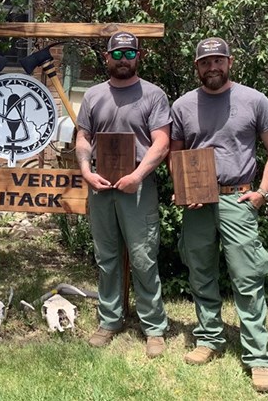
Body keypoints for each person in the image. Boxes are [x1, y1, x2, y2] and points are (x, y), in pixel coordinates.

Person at [170, 37, 268, 393]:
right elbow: (176, 154)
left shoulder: (254, 100)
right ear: (197, 68)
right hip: (198, 204)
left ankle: (258, 357)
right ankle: (208, 339)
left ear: (230, 62)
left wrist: (262, 193)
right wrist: (183, 188)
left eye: (218, 60)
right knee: (200, 272)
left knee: (247, 277)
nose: (212, 67)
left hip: (239, 199)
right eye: (205, 63)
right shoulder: (184, 105)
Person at [75, 31, 172, 359]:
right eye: (117, 55)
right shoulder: (93, 96)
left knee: (144, 257)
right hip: (101, 186)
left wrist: (137, 175)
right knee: (106, 257)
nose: (123, 60)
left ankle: (154, 327)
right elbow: (83, 138)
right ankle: (109, 320)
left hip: (138, 187)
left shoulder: (153, 95)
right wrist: (87, 172)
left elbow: (161, 142)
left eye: (129, 54)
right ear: (107, 58)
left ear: (138, 56)